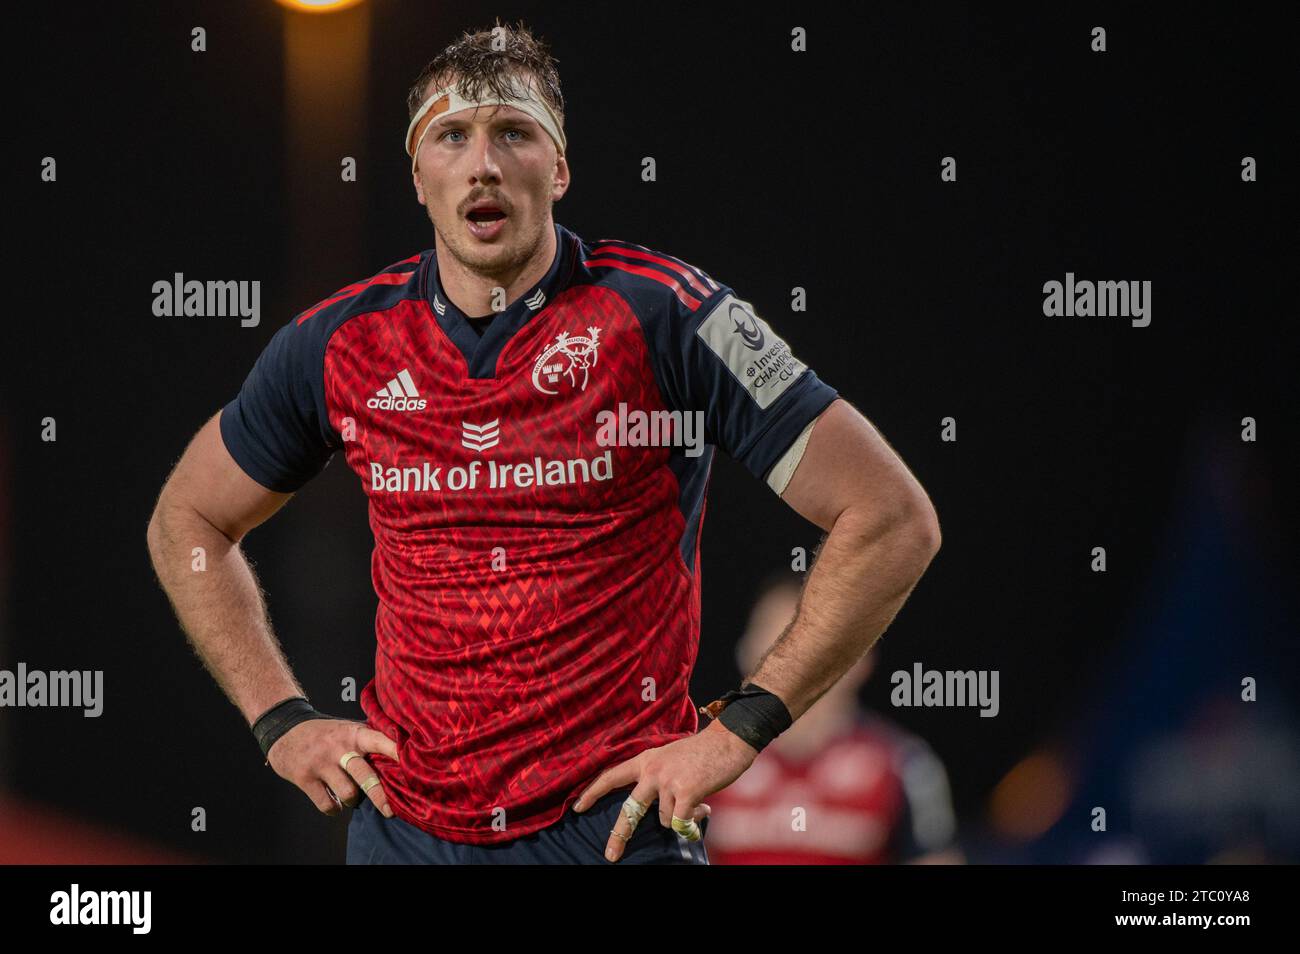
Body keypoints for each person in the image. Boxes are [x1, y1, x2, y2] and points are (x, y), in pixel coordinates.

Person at [145, 21, 941, 865]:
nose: (483, 162)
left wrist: (739, 730)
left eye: (514, 133)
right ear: (420, 177)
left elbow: (891, 516)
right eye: (452, 136)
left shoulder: (669, 315)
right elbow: (187, 520)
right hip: (410, 836)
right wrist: (280, 718)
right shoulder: (340, 343)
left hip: (613, 832)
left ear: (558, 169)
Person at [705, 573, 963, 864]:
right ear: (743, 653)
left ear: (862, 657)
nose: (793, 670)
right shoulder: (701, 760)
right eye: (774, 646)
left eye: (813, 647)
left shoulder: (903, 763)